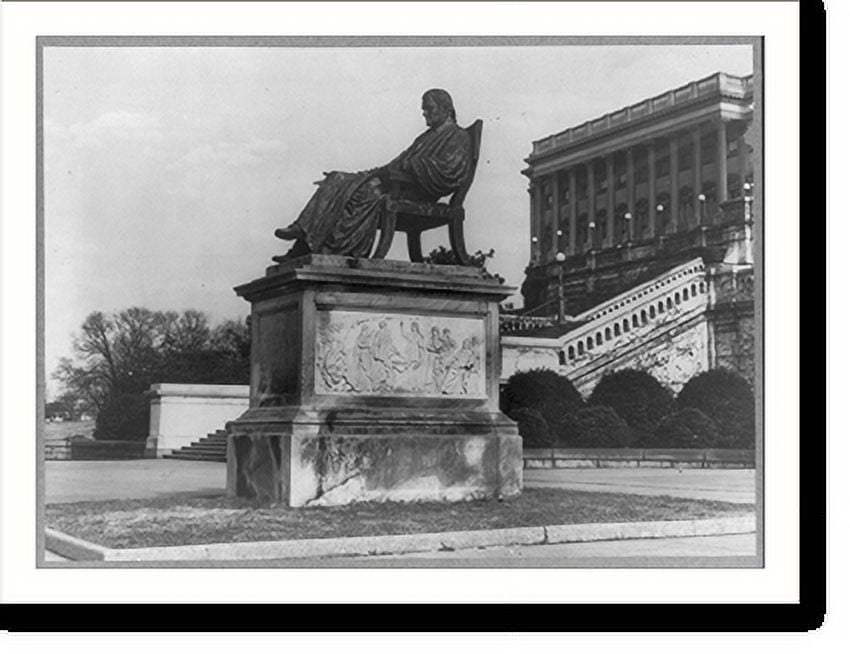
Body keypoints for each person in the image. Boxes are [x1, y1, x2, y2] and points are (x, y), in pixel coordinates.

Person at [274, 89, 473, 259]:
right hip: (397, 185)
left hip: (417, 191)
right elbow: (395, 163)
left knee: (363, 192)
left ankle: (334, 248)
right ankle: (302, 240)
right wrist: (363, 175)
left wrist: (409, 166)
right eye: (424, 108)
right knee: (337, 179)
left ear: (446, 108)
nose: (424, 112)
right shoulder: (425, 137)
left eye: (429, 108)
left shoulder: (459, 136)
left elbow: (449, 171)